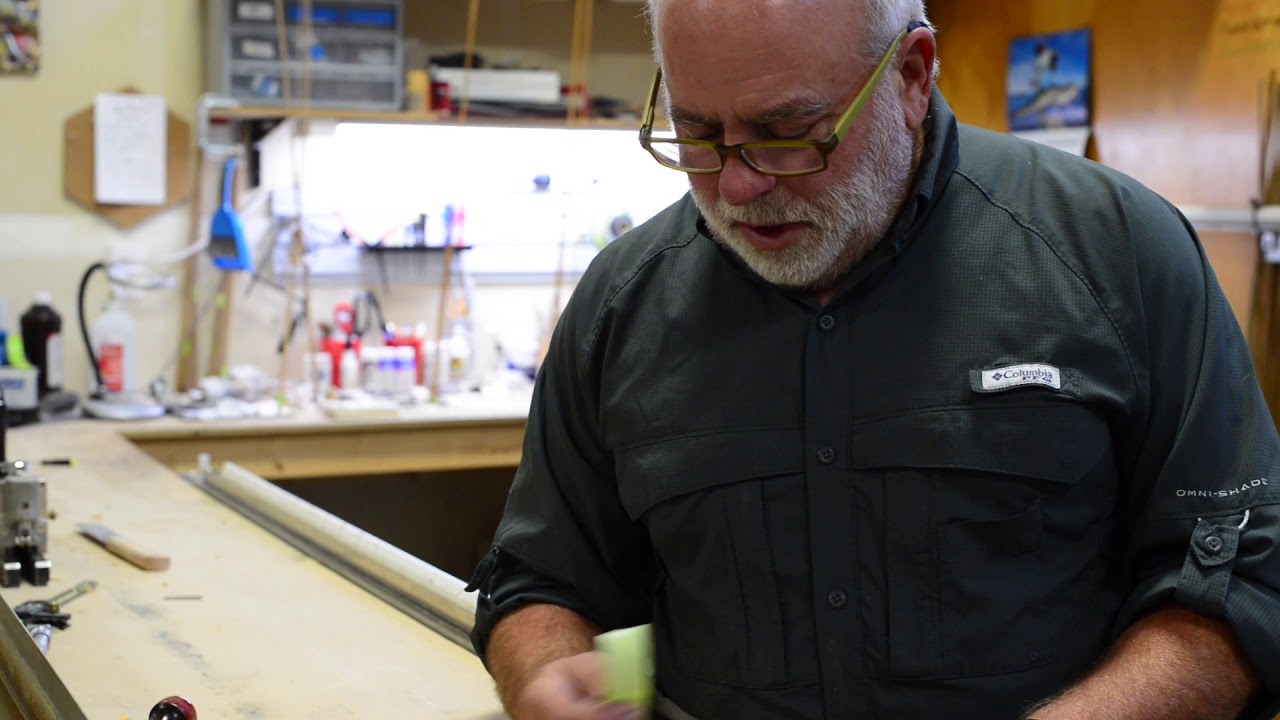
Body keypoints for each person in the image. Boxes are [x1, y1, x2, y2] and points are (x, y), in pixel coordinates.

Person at [465, 0, 1280, 717]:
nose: (738, 188)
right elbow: (541, 581)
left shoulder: (1116, 253)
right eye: (700, 134)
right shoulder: (621, 305)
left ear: (912, 74)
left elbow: (1244, 581)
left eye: (787, 133)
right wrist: (543, 670)